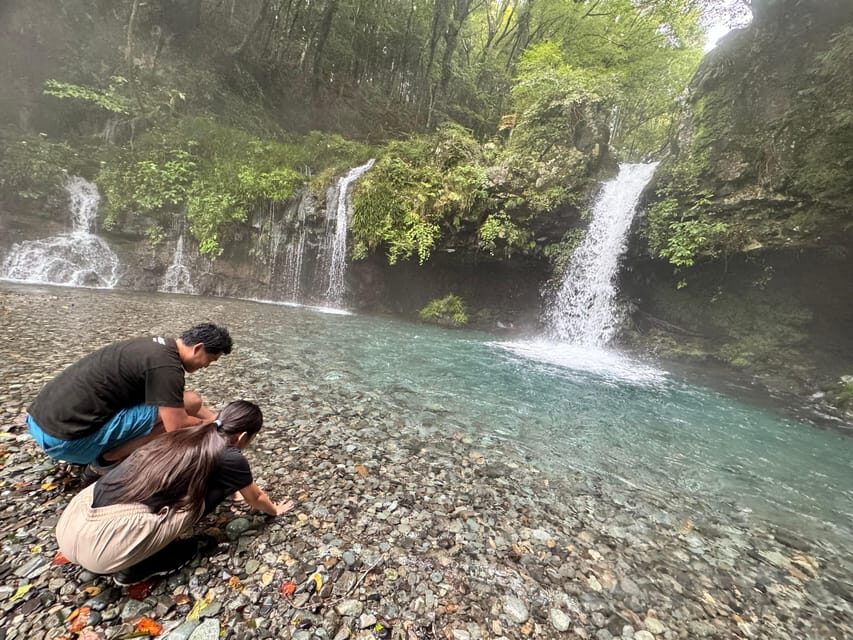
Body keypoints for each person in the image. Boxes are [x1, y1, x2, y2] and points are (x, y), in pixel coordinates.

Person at [55, 400, 293, 585]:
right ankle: (139, 566)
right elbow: (256, 498)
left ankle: (133, 548)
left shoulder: (182, 433)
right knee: (219, 489)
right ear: (242, 437)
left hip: (72, 521)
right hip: (102, 549)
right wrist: (275, 511)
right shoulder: (231, 456)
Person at [26, 323, 232, 475]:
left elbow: (172, 396)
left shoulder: (156, 349)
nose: (207, 366)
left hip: (40, 421)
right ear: (198, 348)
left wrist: (217, 416)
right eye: (210, 360)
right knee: (182, 412)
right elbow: (176, 427)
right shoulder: (167, 369)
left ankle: (102, 452)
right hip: (65, 442)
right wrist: (216, 426)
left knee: (188, 402)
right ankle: (106, 461)